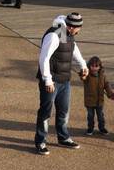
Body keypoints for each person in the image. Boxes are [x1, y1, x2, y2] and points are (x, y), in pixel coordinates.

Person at [34, 12, 87, 155]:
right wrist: (47, 79)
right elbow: (43, 59)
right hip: (51, 82)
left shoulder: (66, 33)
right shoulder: (54, 35)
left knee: (63, 111)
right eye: (79, 28)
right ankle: (40, 141)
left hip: (64, 79)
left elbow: (72, 48)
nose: (79, 30)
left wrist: (83, 65)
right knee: (45, 112)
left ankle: (63, 137)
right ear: (71, 27)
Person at [83, 56, 112, 136]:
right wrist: (83, 73)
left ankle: (102, 128)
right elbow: (83, 77)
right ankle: (90, 128)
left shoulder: (103, 76)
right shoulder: (87, 75)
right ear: (89, 66)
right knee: (90, 116)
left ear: (100, 67)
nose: (94, 68)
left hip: (99, 101)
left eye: (96, 66)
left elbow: (107, 85)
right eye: (92, 66)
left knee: (100, 116)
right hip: (89, 101)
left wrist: (110, 93)